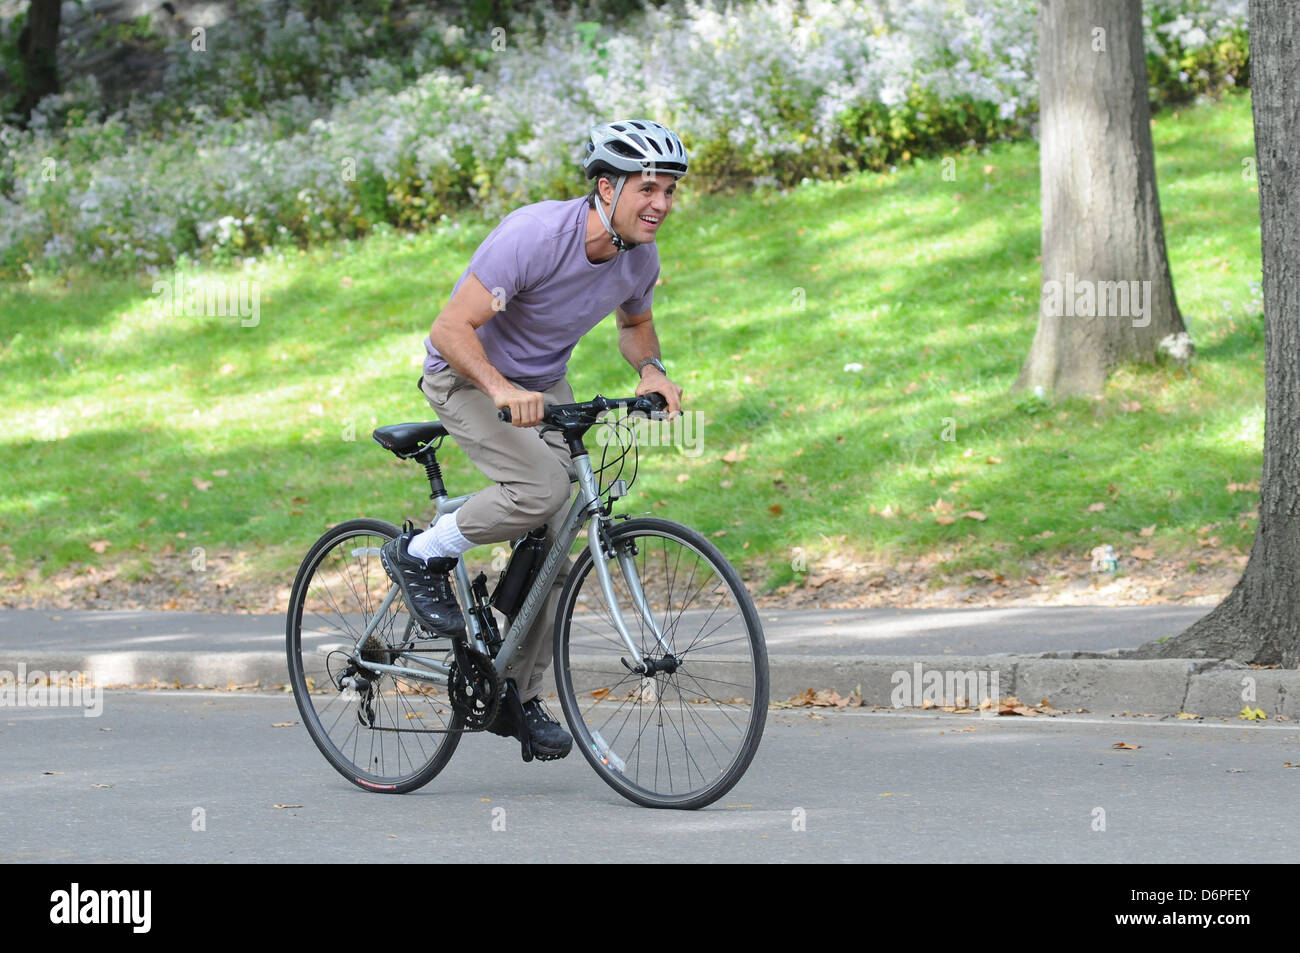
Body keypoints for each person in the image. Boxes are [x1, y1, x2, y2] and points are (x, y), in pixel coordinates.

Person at [379, 119, 688, 760]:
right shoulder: (534, 236)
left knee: (557, 533)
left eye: (669, 190)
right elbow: (449, 330)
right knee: (541, 487)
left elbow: (638, 324)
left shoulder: (640, 255)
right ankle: (420, 554)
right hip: (466, 379)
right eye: (648, 188)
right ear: (606, 188)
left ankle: (513, 693)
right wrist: (497, 389)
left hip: (544, 386)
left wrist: (651, 370)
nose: (660, 204)